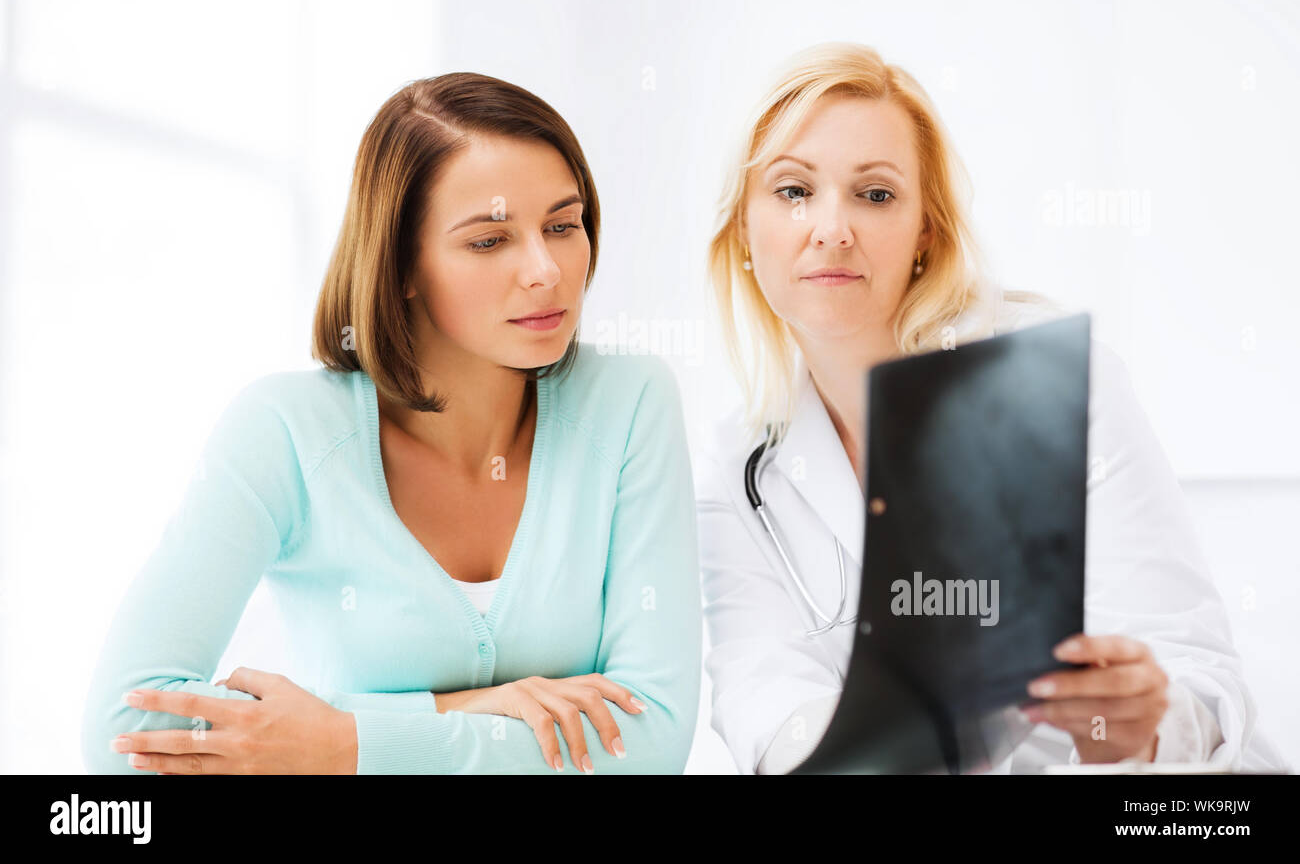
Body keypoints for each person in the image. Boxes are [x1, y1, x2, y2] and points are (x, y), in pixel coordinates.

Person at [80, 72, 701, 774]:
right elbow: (124, 729)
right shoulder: (285, 431)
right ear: (402, 264)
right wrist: (460, 710)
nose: (546, 270)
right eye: (491, 240)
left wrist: (342, 742)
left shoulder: (630, 404)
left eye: (563, 225)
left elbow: (650, 744)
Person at [695, 41, 1287, 775]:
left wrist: (1141, 725)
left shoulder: (1049, 388)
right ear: (744, 232)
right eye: (792, 191)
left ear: (925, 234)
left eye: (875, 194)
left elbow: (1189, 664)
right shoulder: (740, 469)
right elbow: (764, 693)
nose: (832, 228)